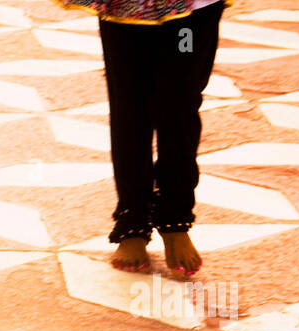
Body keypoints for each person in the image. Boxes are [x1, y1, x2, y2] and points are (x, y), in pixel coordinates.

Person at [59, 0, 226, 276]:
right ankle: (132, 221)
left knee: (180, 104)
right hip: (125, 6)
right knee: (130, 104)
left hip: (194, 11)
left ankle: (176, 219)